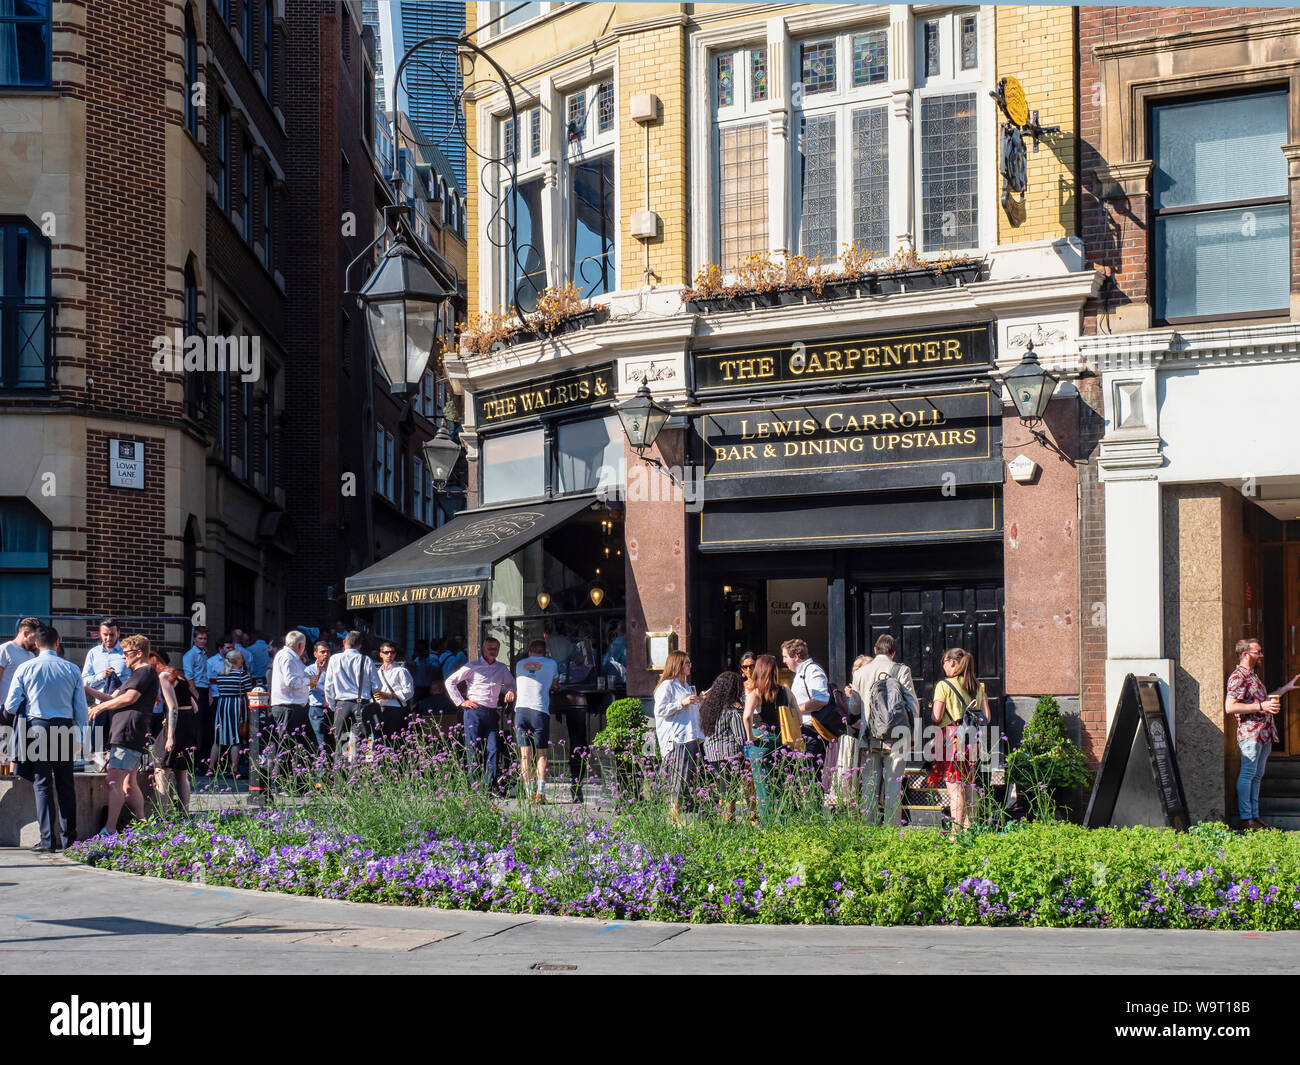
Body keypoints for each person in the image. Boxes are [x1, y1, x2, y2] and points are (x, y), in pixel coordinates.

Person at [3, 625, 87, 851]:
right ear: (58, 642)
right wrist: (83, 737)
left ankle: (47, 840)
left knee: (42, 784)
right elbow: (81, 708)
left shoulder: (25, 668)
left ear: (37, 645)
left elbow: (10, 705)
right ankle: (70, 840)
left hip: (37, 727)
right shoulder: (71, 669)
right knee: (65, 783)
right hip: (65, 727)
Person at [85, 634, 159, 836]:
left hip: (128, 732)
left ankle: (109, 830)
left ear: (139, 653)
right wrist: (83, 687)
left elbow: (129, 698)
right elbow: (112, 697)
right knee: (128, 783)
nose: (123, 658)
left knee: (113, 781)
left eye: (126, 654)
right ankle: (144, 826)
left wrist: (100, 709)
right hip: (129, 732)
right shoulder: (136, 675)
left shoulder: (144, 672)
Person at [1225, 638, 1300, 830]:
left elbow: (1265, 700)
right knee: (1248, 773)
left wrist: (1285, 689)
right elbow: (1230, 707)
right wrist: (1260, 706)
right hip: (1250, 733)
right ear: (1245, 654)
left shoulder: (1252, 676)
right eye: (1257, 652)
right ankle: (1246, 818)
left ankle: (1254, 817)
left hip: (1263, 733)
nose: (1261, 655)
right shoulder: (1238, 676)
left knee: (1257, 776)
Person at [851, 634, 919, 828]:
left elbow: (854, 708)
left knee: (869, 786)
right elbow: (913, 704)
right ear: (893, 652)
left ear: (875, 650)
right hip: (897, 737)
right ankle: (892, 828)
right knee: (893, 784)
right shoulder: (902, 670)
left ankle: (869, 828)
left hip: (869, 737)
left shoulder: (861, 673)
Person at [928, 648, 990, 832]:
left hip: (951, 741)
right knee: (969, 786)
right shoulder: (978, 687)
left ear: (952, 663)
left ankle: (956, 833)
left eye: (944, 663)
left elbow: (936, 717)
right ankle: (970, 828)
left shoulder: (944, 686)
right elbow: (987, 716)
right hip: (971, 740)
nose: (943, 667)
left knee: (955, 790)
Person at [445, 638, 516, 790]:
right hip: (474, 711)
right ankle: (474, 785)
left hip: (491, 711)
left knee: (493, 747)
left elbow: (512, 683)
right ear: (483, 649)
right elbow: (450, 681)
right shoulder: (472, 666)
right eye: (490, 648)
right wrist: (461, 701)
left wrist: (511, 691)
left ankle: (489, 785)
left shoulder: (502, 668)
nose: (493, 651)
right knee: (473, 747)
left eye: (495, 649)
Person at [653, 650, 702, 824]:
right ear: (678, 665)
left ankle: (677, 814)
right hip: (676, 738)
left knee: (686, 778)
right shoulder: (668, 685)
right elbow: (660, 710)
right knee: (677, 778)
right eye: (687, 663)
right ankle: (673, 816)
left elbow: (690, 709)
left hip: (689, 736)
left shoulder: (686, 686)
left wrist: (699, 700)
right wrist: (682, 703)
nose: (690, 666)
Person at [742, 653, 789, 825]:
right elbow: (797, 716)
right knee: (781, 784)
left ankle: (767, 826)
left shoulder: (755, 692)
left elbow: (747, 716)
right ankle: (784, 824)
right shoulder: (785, 690)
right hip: (781, 740)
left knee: (762, 786)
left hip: (761, 741)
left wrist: (751, 737)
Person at [150, 651, 197, 813]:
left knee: (161, 768)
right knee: (182, 773)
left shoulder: (163, 677)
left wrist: (170, 735)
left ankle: (162, 815)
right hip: (189, 722)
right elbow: (195, 707)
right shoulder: (179, 676)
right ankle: (185, 812)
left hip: (177, 725)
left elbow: (173, 707)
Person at [513, 639, 559, 803]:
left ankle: (527, 793)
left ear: (530, 652)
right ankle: (540, 793)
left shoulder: (520, 664)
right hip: (539, 711)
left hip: (521, 710)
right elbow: (555, 685)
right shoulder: (552, 663)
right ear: (544, 652)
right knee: (541, 754)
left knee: (525, 755)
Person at [322, 630, 383, 755]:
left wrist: (333, 705)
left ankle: (342, 771)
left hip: (342, 705)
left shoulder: (334, 659)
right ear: (360, 645)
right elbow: (377, 686)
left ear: (344, 642)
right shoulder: (366, 660)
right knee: (366, 742)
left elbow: (328, 686)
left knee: (342, 742)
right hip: (363, 705)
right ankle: (367, 769)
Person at [700, 670, 746, 819]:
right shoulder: (733, 710)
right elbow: (741, 736)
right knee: (729, 790)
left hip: (712, 753)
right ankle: (728, 822)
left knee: (722, 788)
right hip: (729, 753)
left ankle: (723, 821)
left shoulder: (711, 706)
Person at [781, 637, 829, 775]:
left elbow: (821, 699)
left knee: (810, 777)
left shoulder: (812, 670)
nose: (784, 661)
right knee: (803, 776)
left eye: (785, 657)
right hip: (804, 731)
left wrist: (796, 710)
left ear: (795, 657)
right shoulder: (801, 673)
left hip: (813, 731)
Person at [269, 631, 314, 774]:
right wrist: (309, 680)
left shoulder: (291, 657)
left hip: (293, 706)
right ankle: (281, 781)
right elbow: (291, 681)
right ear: (300, 645)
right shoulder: (287, 657)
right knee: (286, 745)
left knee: (293, 744)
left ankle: (291, 779)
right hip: (287, 706)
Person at [209, 648, 252, 778]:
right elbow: (249, 692)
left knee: (218, 739)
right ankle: (234, 769)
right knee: (236, 739)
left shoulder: (221, 675)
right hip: (236, 706)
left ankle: (211, 768)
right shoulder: (242, 675)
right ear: (238, 661)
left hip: (222, 706)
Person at [375, 640, 415, 738]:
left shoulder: (401, 671)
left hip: (396, 710)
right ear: (381, 654)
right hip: (381, 709)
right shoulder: (377, 672)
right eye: (386, 652)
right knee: (381, 742)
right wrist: (377, 696)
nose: (389, 655)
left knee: (397, 742)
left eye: (392, 652)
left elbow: (409, 692)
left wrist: (388, 695)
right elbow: (375, 691)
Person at [0, 616, 41, 709]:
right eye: (35, 638)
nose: (36, 643)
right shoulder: (5, 649)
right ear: (26, 633)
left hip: (23, 711)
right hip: (4, 710)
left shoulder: (31, 656)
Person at [305, 641, 332, 750]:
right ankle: (321, 766)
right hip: (317, 709)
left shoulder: (333, 668)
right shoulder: (309, 669)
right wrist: (318, 673)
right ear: (315, 654)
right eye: (322, 652)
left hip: (331, 708)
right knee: (321, 742)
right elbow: (310, 686)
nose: (326, 654)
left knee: (332, 742)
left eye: (328, 652)